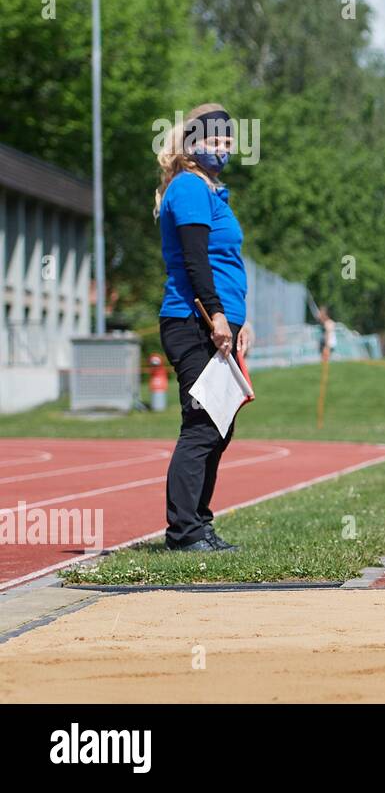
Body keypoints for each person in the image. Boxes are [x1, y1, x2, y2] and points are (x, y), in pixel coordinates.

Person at [155, 104, 250, 553]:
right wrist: (216, 315)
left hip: (216, 321)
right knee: (202, 424)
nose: (222, 148)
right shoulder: (190, 187)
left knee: (219, 425)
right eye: (214, 140)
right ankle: (184, 532)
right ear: (193, 144)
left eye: (228, 141)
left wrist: (240, 319)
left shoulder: (213, 192)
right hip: (192, 320)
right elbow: (195, 260)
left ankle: (200, 524)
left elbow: (226, 261)